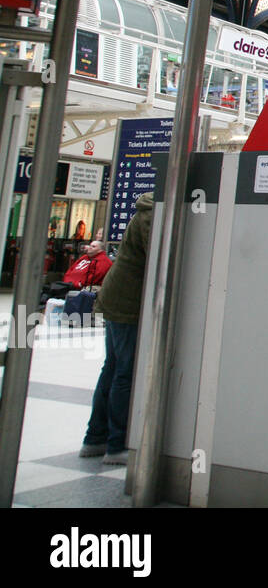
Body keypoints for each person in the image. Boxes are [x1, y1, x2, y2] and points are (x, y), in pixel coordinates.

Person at [81, 194, 155, 466]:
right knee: (125, 370)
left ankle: (94, 438)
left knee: (112, 367)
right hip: (127, 300)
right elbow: (158, 255)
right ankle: (116, 443)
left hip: (118, 296)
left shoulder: (146, 210)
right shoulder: (151, 214)